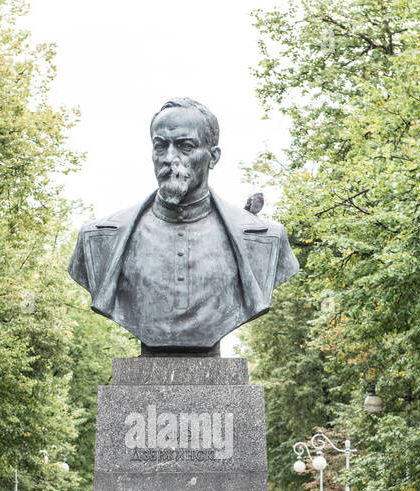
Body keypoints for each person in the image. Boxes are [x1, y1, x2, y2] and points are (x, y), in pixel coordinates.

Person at [68, 98, 298, 352]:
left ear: (212, 157)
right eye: (160, 146)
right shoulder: (100, 239)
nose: (170, 158)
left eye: (184, 146)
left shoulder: (265, 240)